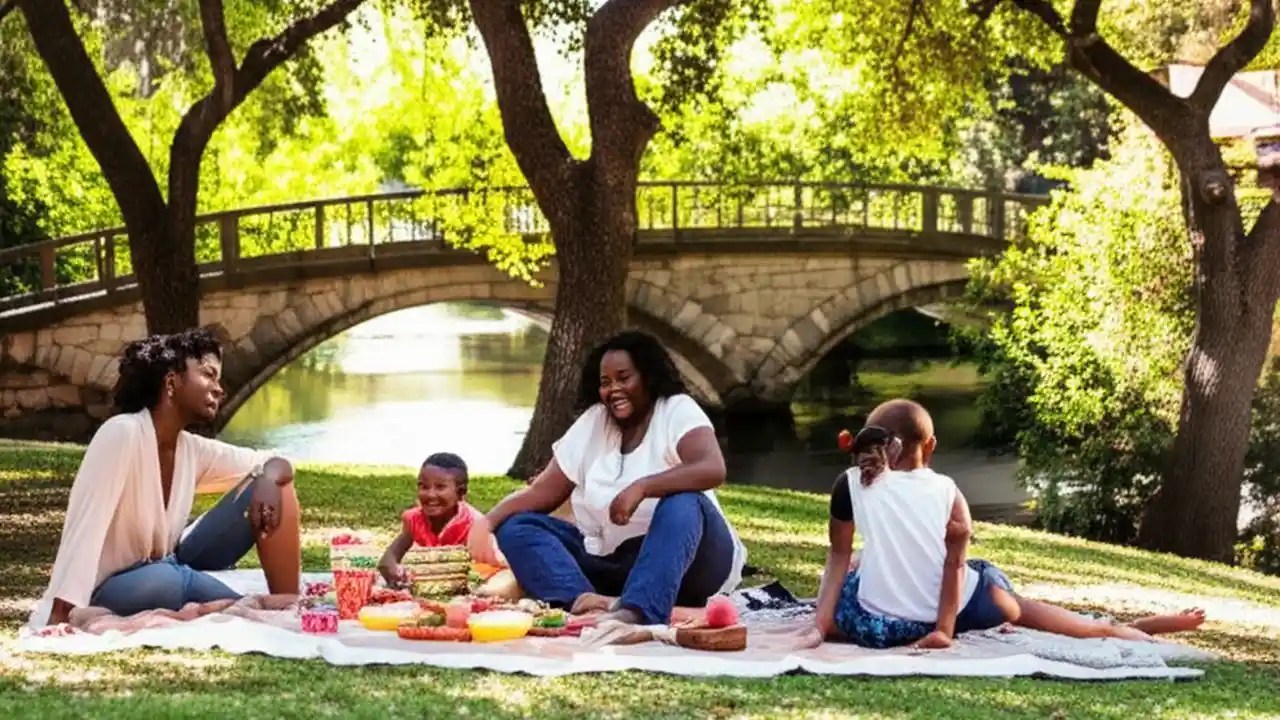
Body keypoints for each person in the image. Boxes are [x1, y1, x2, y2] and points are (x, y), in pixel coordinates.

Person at [814, 398, 1206, 649]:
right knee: (1038, 614)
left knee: (855, 563)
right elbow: (954, 565)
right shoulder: (948, 491)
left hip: (899, 620)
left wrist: (819, 626)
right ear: (931, 446)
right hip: (969, 602)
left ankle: (1131, 626)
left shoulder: (847, 485)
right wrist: (943, 631)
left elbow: (837, 555)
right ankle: (1122, 628)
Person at [468, 330, 746, 626]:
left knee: (684, 501)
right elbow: (540, 493)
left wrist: (642, 488)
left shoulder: (676, 409)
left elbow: (711, 468)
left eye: (624, 378)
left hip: (695, 561)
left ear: (647, 377)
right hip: (616, 563)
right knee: (518, 526)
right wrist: (486, 522)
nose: (613, 389)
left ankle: (638, 612)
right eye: (605, 382)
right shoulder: (594, 421)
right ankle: (582, 604)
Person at [28, 328, 301, 629]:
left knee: (276, 484)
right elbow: (85, 526)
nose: (219, 389)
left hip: (169, 566)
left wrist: (269, 476)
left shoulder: (191, 448)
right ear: (172, 382)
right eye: (208, 375)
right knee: (169, 580)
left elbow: (276, 462)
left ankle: (288, 601)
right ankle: (251, 605)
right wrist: (61, 611)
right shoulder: (122, 433)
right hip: (111, 587)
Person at [377, 452, 490, 587]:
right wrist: (395, 572)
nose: (430, 495)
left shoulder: (474, 524)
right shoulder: (415, 519)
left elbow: (487, 569)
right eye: (424, 486)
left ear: (460, 493)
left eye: (440, 487)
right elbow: (387, 560)